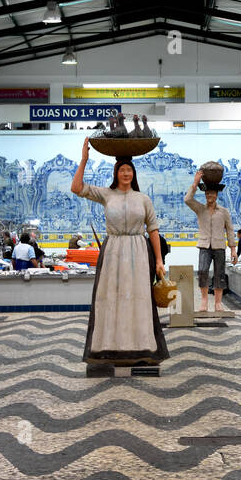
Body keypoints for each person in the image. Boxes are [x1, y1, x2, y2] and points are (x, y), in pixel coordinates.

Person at [71, 139, 169, 366]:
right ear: (116, 173)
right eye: (122, 170)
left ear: (134, 174)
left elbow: (153, 230)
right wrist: (84, 159)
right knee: (110, 298)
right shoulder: (106, 194)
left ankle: (141, 346)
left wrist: (158, 260)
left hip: (137, 250)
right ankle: (109, 346)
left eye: (129, 170)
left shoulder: (143, 199)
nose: (126, 173)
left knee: (139, 298)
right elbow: (76, 188)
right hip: (113, 251)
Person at [186, 169, 237, 312]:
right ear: (205, 195)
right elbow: (187, 200)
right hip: (204, 245)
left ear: (216, 195)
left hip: (219, 246)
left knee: (219, 273)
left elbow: (230, 230)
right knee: (202, 271)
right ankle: (203, 301)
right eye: (207, 193)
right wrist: (195, 183)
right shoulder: (199, 209)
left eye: (212, 193)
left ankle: (218, 302)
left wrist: (233, 249)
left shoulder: (224, 211)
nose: (210, 195)